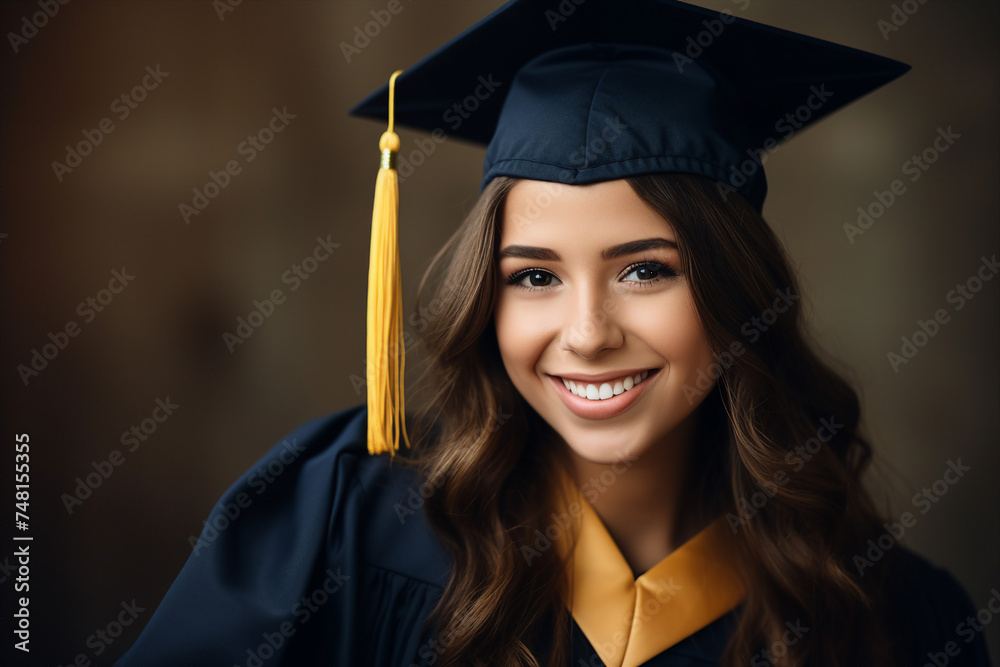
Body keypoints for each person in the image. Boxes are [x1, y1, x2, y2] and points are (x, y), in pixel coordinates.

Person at [116, 1, 994, 666]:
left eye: (646, 270)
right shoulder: (344, 524)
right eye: (534, 276)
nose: (586, 333)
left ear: (738, 292)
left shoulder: (895, 613)